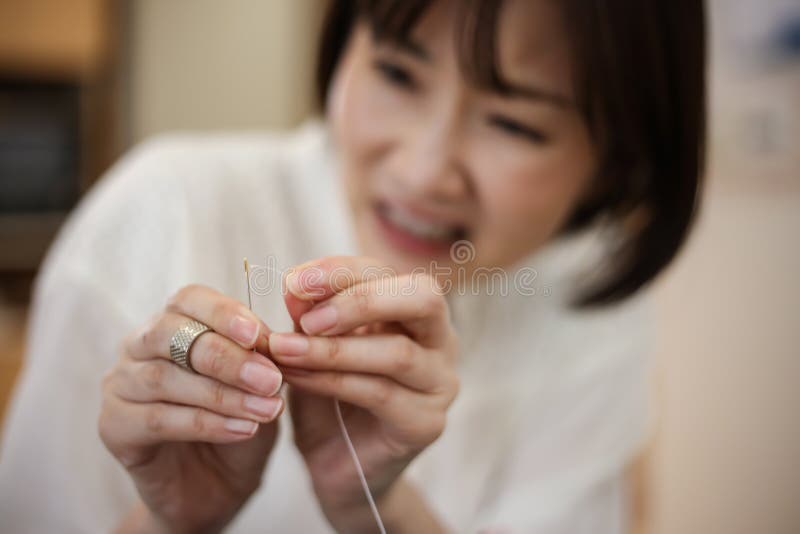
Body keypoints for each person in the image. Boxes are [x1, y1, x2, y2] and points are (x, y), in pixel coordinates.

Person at [0, 0, 706, 532]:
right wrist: (171, 522)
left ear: (618, 160)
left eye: (515, 123)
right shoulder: (165, 211)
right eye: (398, 72)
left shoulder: (587, 304)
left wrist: (375, 507)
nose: (423, 169)